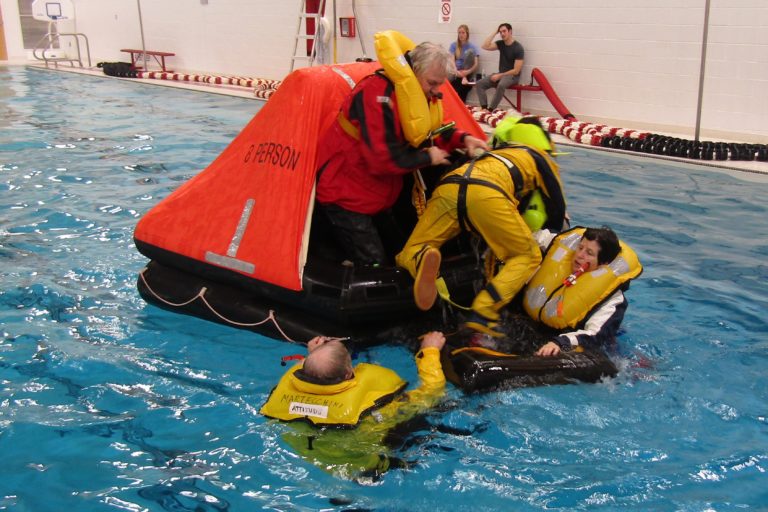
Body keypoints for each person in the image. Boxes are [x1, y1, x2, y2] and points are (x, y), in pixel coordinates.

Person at [315, 39, 488, 266]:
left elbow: (432, 129)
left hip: (377, 195)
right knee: (375, 263)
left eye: (439, 85)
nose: (436, 91)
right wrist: (428, 156)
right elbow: (380, 159)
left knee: (401, 250)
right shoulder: (376, 94)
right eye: (432, 83)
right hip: (345, 195)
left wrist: (464, 139)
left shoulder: (419, 95)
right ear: (414, 71)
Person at [395, 116, 567, 338]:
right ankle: (484, 311)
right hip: (488, 195)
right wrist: (553, 239)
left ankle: (422, 257)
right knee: (526, 255)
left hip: (449, 185)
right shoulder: (539, 157)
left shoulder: (496, 152)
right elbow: (556, 204)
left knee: (412, 247)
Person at [260, 331, 447, 480]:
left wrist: (316, 355)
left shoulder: (285, 395)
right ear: (349, 373)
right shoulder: (371, 413)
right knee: (440, 410)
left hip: (321, 464)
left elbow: (313, 374)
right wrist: (430, 350)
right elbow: (432, 392)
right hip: (370, 468)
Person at [525, 226, 642, 357]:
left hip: (570, 341)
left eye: (589, 253)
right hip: (533, 326)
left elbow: (594, 335)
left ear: (603, 263)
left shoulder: (613, 300)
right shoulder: (561, 252)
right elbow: (532, 235)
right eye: (580, 248)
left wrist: (559, 343)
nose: (580, 255)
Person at [474, 23, 524, 112]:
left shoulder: (518, 48)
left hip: (512, 76)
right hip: (501, 74)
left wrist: (500, 75)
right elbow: (484, 46)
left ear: (510, 31)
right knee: (479, 84)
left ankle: (490, 109)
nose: (502, 34)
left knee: (500, 85)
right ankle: (484, 108)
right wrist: (495, 32)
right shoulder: (501, 44)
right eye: (500, 32)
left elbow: (516, 71)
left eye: (504, 31)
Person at [448, 24, 480, 103]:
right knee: (455, 88)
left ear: (467, 34)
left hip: (467, 71)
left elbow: (476, 64)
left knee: (463, 87)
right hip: (456, 72)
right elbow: (451, 60)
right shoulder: (453, 45)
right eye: (459, 33)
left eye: (463, 33)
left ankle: (461, 105)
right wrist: (456, 71)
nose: (461, 35)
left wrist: (466, 73)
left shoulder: (472, 46)